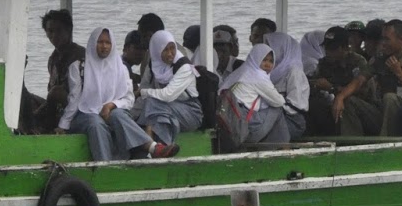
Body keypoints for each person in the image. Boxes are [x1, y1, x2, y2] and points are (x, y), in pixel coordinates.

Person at [58, 28, 150, 161]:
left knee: (117, 114)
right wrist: (63, 125)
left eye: (108, 42)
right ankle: (105, 165)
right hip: (84, 115)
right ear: (92, 43)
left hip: (110, 113)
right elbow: (74, 99)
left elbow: (128, 99)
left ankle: (148, 148)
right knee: (96, 123)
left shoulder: (120, 68)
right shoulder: (78, 67)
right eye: (100, 42)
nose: (104, 46)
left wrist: (111, 105)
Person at [134, 29, 200, 157]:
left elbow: (167, 95)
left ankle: (151, 141)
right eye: (165, 50)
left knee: (154, 102)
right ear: (156, 50)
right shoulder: (153, 65)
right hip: (164, 111)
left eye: (172, 48)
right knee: (157, 113)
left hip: (191, 113)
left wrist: (143, 92)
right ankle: (161, 149)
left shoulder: (184, 66)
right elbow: (143, 92)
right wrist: (131, 116)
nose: (170, 54)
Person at [22, 9, 86, 134]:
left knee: (55, 93)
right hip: (56, 105)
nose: (54, 35)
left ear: (68, 30)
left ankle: (46, 128)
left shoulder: (79, 55)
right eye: (50, 31)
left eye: (59, 31)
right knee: (26, 98)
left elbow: (67, 93)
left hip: (77, 106)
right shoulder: (53, 58)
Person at [216, 42, 286, 149]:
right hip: (243, 124)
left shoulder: (241, 71)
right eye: (264, 60)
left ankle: (276, 145)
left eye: (271, 61)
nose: (268, 64)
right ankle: (278, 147)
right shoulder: (258, 76)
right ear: (256, 58)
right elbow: (279, 101)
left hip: (229, 120)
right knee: (277, 109)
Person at [306, 26, 372, 136]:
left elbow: (363, 92)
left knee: (348, 101)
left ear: (345, 48)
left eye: (333, 49)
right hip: (334, 105)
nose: (328, 52)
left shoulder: (357, 62)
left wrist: (332, 88)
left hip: (362, 107)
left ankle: (352, 142)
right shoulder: (324, 64)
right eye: (326, 48)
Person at [263, 31, 309, 142]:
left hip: (292, 121)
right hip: (274, 118)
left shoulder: (294, 71)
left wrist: (271, 107)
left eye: (271, 47)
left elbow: (295, 106)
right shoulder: (272, 70)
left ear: (281, 48)